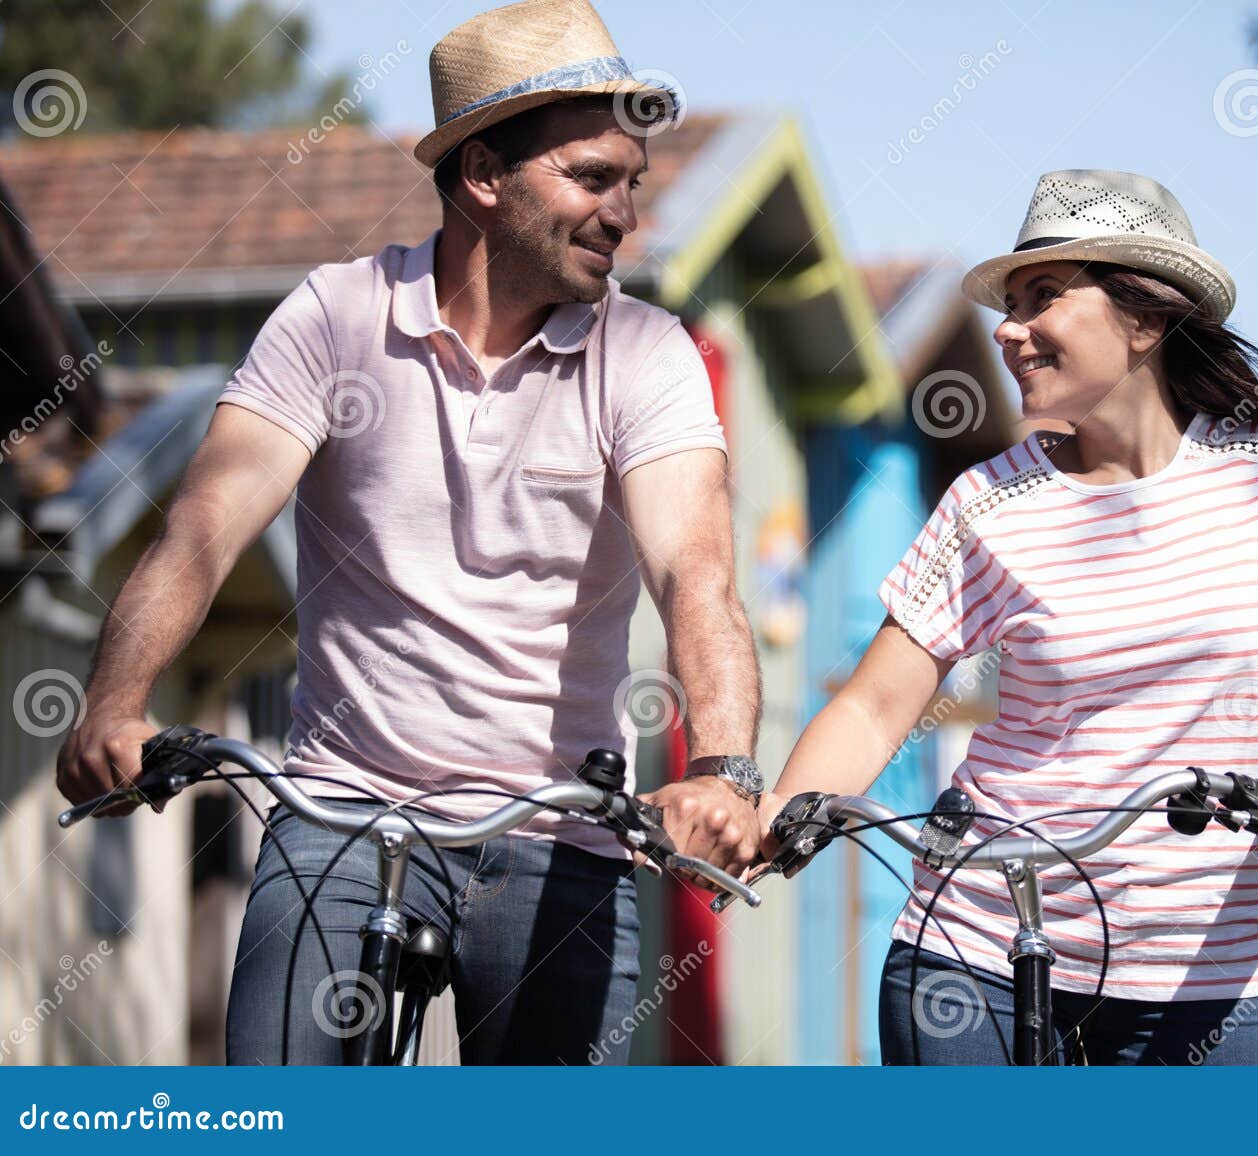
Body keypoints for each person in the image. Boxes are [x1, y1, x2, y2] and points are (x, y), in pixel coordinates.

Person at [56, 0, 764, 1065]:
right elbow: (203, 527)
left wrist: (723, 769)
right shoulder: (335, 316)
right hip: (342, 811)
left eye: (634, 181)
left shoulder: (647, 353)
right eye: (592, 178)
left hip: (559, 827)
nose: (626, 214)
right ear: (484, 174)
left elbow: (696, 572)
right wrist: (114, 702)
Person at [762, 170, 1258, 1065]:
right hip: (977, 949)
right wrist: (784, 809)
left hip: (1218, 975)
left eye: (1043, 299)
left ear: (1145, 319)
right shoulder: (989, 504)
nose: (1008, 330)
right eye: (1008, 304)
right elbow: (873, 706)